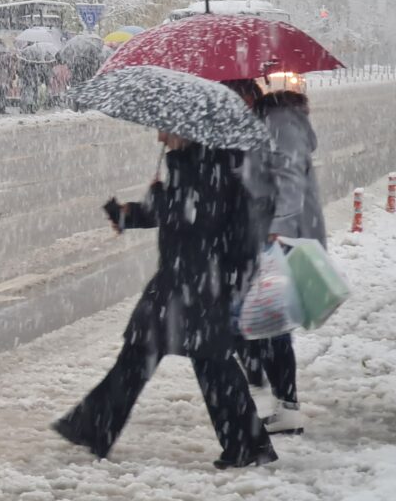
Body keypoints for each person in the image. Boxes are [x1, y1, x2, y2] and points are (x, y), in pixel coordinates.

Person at [52, 130, 276, 469]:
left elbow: (197, 217)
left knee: (204, 363)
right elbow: (178, 213)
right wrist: (129, 214)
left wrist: (160, 198)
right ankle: (93, 426)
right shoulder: (194, 163)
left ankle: (246, 444)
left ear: (185, 132)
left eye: (166, 130)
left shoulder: (207, 166)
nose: (160, 136)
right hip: (184, 280)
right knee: (156, 354)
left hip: (197, 283)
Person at [225, 80, 326, 436]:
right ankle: (269, 394)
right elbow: (257, 175)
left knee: (268, 321)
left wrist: (278, 230)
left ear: (248, 95)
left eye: (230, 98)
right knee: (249, 319)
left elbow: (289, 179)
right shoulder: (257, 122)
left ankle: (286, 405)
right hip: (261, 236)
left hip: (281, 237)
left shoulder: (281, 121)